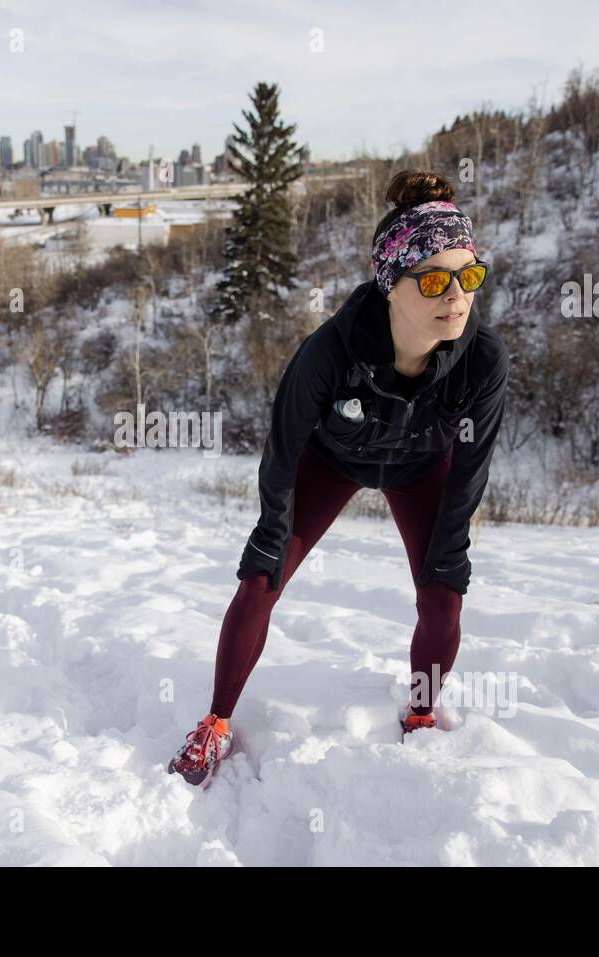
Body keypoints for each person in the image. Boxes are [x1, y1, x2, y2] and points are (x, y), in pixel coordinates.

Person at [169, 169, 510, 787]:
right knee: (261, 575)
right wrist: (272, 530)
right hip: (328, 461)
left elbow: (470, 468)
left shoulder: (482, 360)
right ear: (391, 286)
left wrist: (450, 551)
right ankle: (216, 722)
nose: (456, 296)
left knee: (443, 590)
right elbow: (282, 447)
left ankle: (423, 711)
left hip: (419, 467)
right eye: (434, 279)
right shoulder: (331, 350)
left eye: (469, 275)